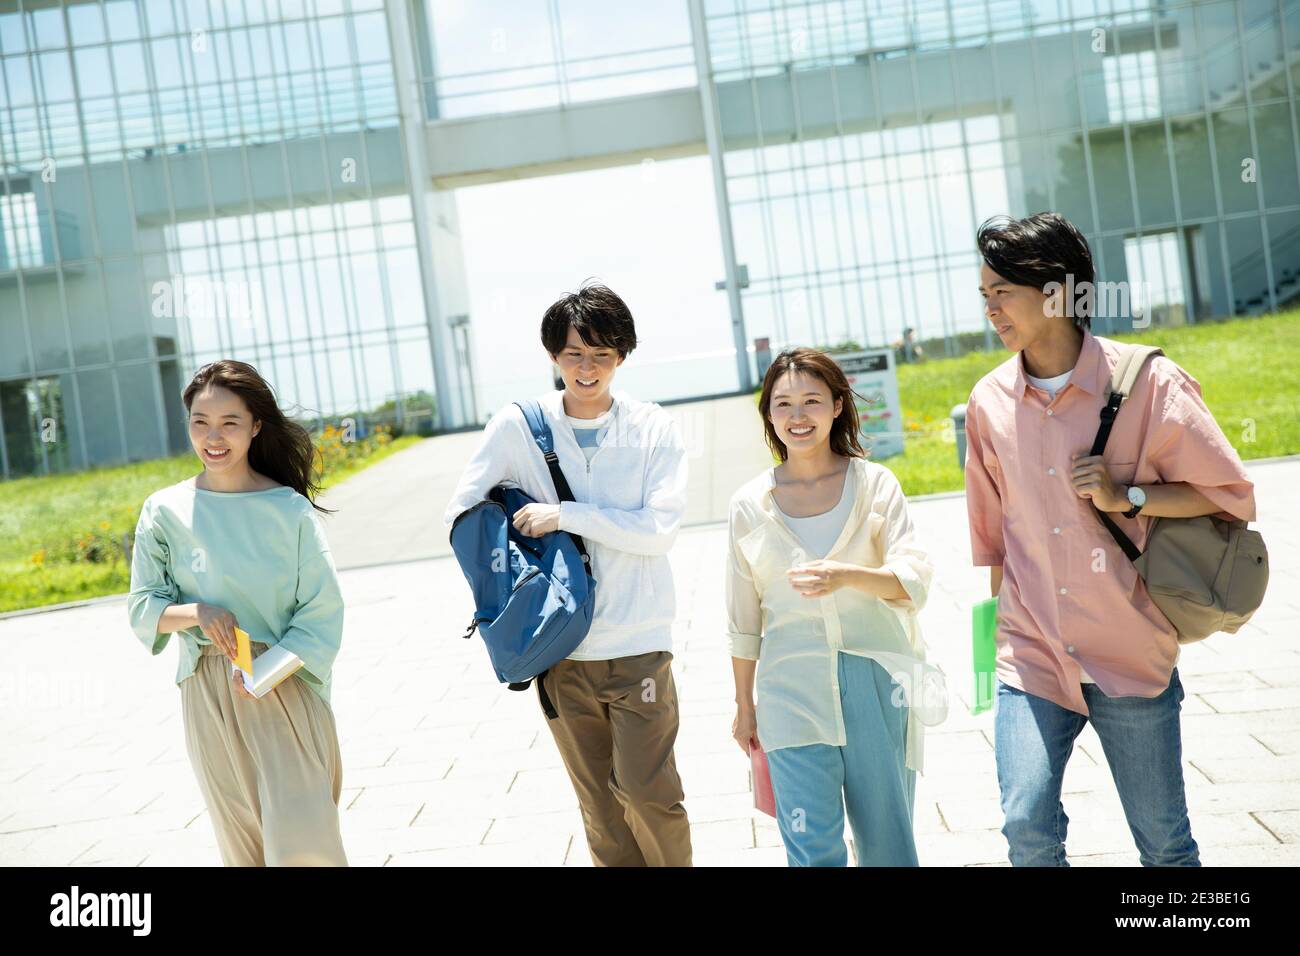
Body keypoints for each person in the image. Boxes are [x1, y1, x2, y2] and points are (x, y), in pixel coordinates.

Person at [964, 212, 1256, 867]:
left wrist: (1129, 497)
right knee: (1026, 829)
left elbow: (1226, 495)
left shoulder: (1149, 383)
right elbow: (994, 544)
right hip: (1031, 653)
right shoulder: (987, 403)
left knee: (1164, 846)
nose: (990, 310)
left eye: (1002, 292)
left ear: (1058, 293)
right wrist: (994, 658)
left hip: (1129, 651)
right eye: (984, 295)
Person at [444, 281, 692, 866]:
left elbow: (660, 529)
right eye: (574, 354)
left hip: (639, 646)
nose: (587, 368)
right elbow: (463, 515)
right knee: (601, 813)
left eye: (602, 355)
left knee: (649, 795)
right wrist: (514, 578)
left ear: (622, 357)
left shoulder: (652, 427)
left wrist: (564, 517)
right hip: (561, 651)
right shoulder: (515, 427)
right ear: (553, 356)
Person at [726, 347, 941, 867]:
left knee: (888, 846)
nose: (797, 417)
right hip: (789, 689)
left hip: (875, 680)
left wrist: (845, 575)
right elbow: (743, 619)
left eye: (811, 401)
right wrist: (744, 704)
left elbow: (915, 579)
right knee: (812, 849)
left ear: (839, 405)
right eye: (783, 404)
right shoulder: (749, 505)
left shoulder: (875, 486)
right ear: (768, 414)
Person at [127, 360, 348, 867]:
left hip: (285, 685)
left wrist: (267, 672)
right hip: (207, 689)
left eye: (229, 422)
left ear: (255, 427)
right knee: (242, 848)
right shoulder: (164, 511)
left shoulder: (288, 509)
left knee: (306, 844)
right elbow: (143, 607)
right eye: (200, 422)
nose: (214, 436)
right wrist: (197, 612)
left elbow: (322, 614)